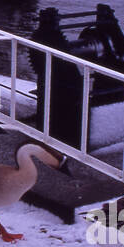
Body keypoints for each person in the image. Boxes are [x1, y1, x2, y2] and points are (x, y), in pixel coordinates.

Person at [29, 8, 85, 148]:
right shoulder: (47, 39)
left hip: (53, 76)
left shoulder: (42, 37)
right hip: (54, 77)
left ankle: (49, 126)